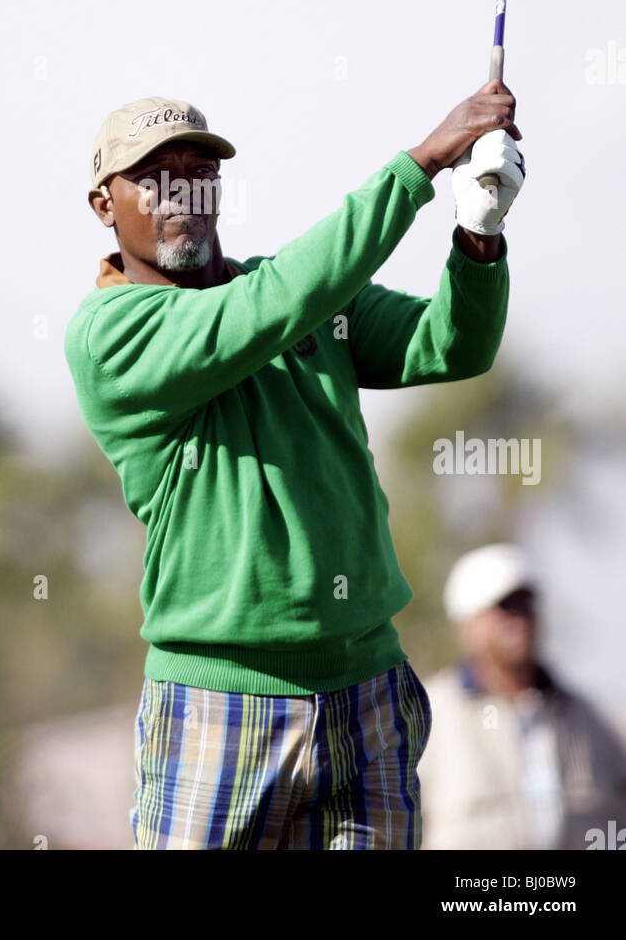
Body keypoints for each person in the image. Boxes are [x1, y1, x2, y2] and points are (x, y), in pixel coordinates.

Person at [64, 88, 525, 850]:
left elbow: (451, 345)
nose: (181, 191)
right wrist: (421, 163)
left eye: (197, 172)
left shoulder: (289, 293)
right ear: (102, 205)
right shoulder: (109, 332)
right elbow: (269, 308)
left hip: (366, 687)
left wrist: (477, 233)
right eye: (152, 177)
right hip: (216, 702)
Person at [418, 543, 626, 850]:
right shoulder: (426, 718)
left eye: (526, 604)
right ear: (466, 625)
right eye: (504, 607)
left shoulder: (590, 720)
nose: (520, 618)